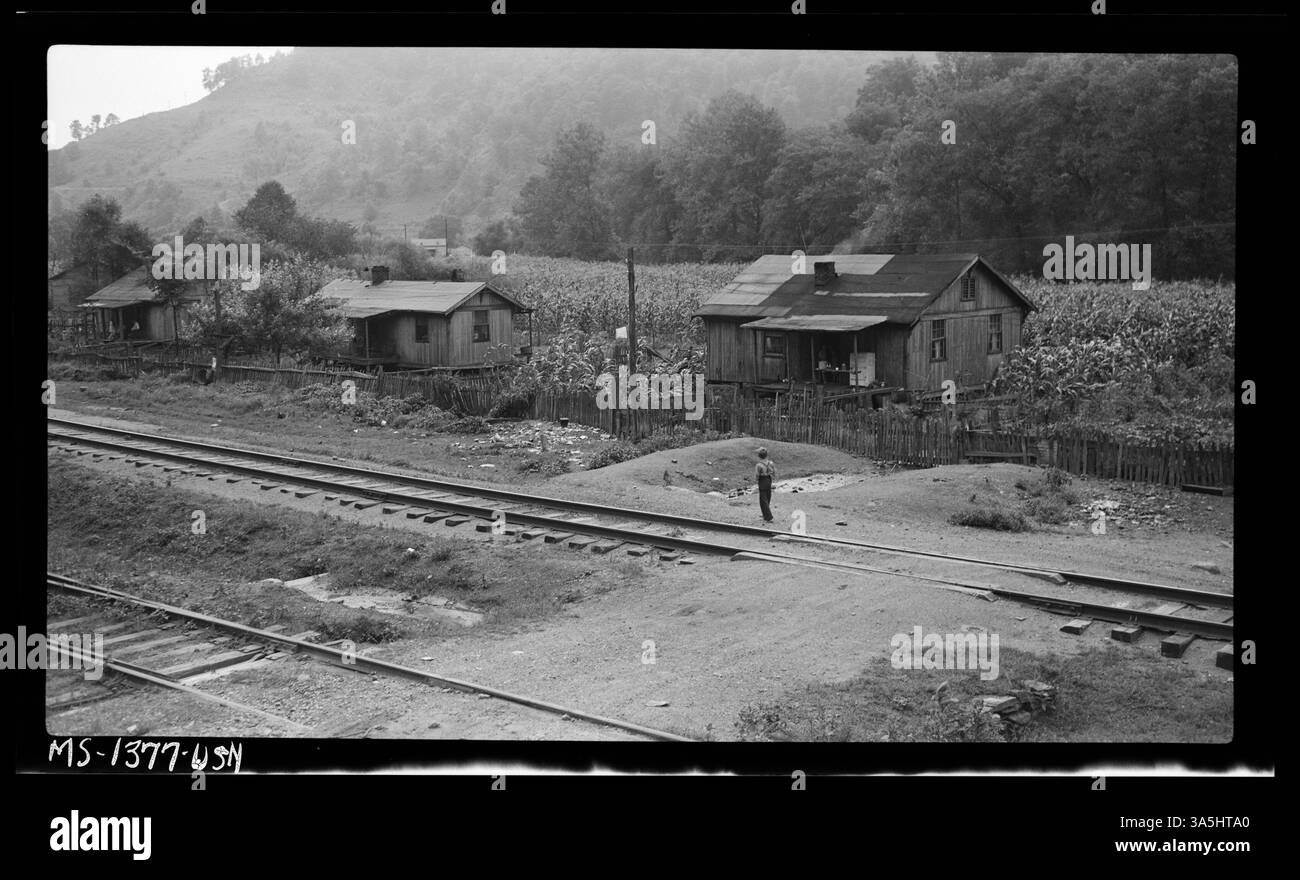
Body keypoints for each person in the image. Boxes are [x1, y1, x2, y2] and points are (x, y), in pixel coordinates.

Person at [755, 447, 776, 523]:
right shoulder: (771, 463)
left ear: (759, 456)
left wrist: (757, 480)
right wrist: (772, 478)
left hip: (762, 480)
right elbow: (774, 472)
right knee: (768, 496)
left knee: (763, 499)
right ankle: (765, 513)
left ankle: (768, 516)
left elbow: (757, 475)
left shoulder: (759, 465)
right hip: (769, 479)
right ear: (766, 455)